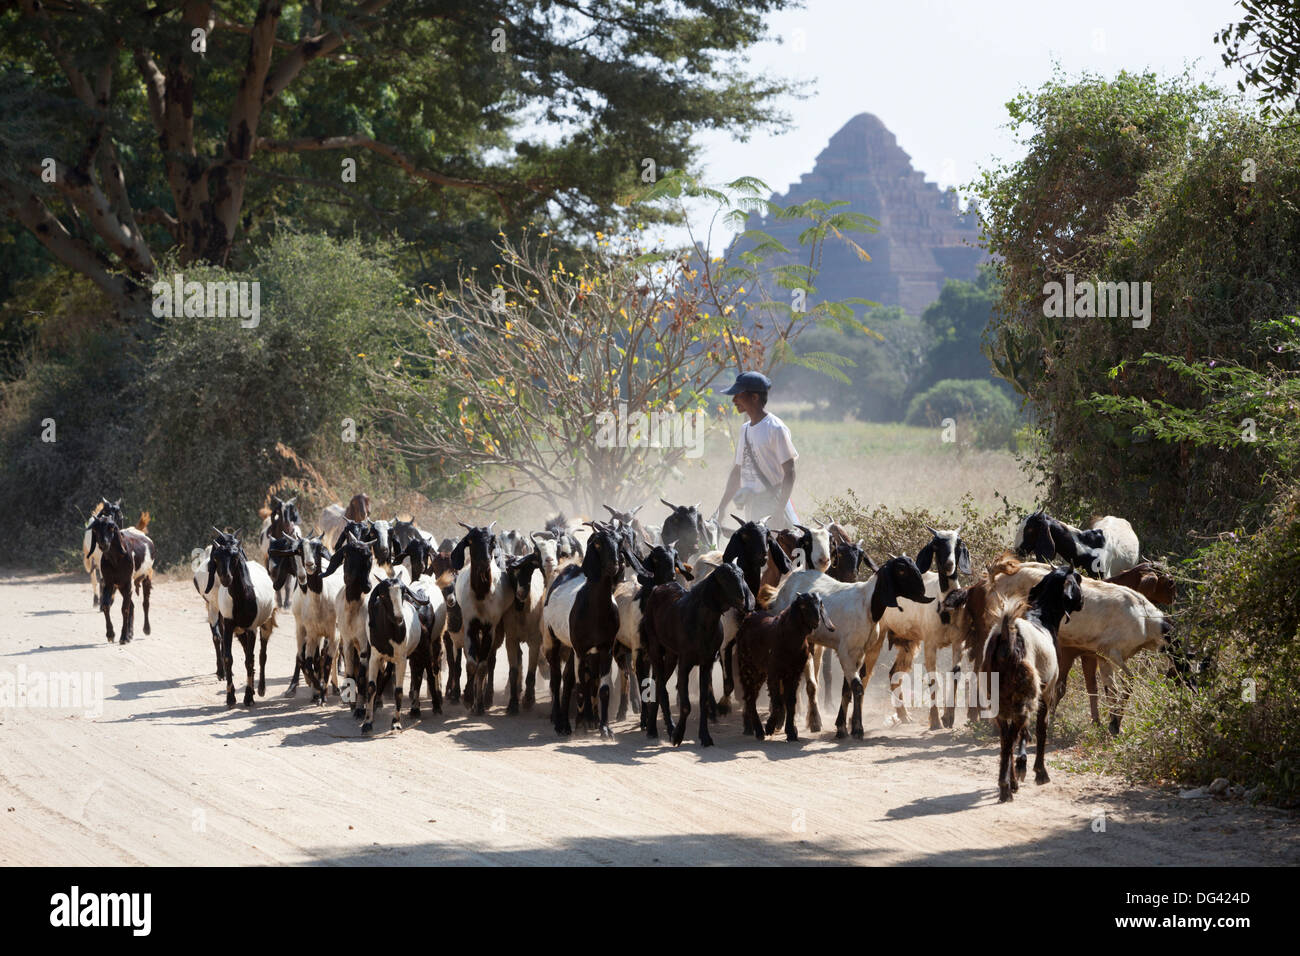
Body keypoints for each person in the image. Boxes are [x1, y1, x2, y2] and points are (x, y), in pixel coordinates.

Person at [713, 370, 799, 530]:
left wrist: (779, 511)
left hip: (773, 504)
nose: (734, 400)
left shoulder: (775, 428)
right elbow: (737, 471)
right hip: (752, 506)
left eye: (738, 395)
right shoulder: (745, 430)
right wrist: (722, 506)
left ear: (754, 397)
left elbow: (790, 472)